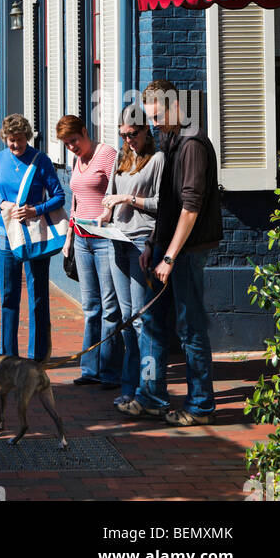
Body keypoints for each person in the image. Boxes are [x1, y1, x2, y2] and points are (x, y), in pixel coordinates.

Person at [124, 79, 222, 426]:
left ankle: (201, 406)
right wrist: (153, 242)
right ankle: (152, 396)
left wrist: (170, 256)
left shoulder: (193, 145)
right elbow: (168, 203)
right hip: (165, 245)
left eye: (156, 116)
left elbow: (191, 208)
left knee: (190, 326)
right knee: (151, 319)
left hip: (188, 250)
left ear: (175, 105)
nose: (152, 125)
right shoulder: (170, 139)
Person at [99, 104, 164, 412]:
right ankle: (128, 389)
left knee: (141, 320)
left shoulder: (157, 160)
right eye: (123, 135)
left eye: (133, 135)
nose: (128, 141)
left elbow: (161, 204)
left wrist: (127, 199)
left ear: (145, 130)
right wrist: (105, 211)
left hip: (141, 241)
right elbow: (109, 196)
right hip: (117, 240)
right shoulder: (122, 158)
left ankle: (146, 390)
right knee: (126, 321)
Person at [0, 114, 65, 362]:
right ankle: (8, 355)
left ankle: (38, 355)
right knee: (8, 295)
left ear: (27, 137)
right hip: (6, 234)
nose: (15, 145)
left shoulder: (41, 161)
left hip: (34, 234)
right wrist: (3, 204)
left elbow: (59, 196)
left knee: (38, 294)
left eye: (19, 140)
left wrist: (35, 209)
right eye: (10, 140)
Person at [58, 114, 120, 388]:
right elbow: (75, 200)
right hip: (81, 240)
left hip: (105, 239)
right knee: (90, 307)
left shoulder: (106, 154)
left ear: (85, 131)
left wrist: (109, 212)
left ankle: (109, 370)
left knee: (109, 307)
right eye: (66, 143)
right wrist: (69, 237)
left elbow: (118, 188)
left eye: (74, 140)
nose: (71, 147)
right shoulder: (76, 160)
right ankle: (89, 368)